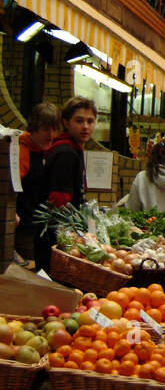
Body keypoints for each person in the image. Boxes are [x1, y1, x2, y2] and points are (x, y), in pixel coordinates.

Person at [34, 96, 97, 272]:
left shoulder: (69, 149)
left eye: (90, 121)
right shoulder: (66, 154)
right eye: (79, 121)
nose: (85, 126)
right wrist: (70, 242)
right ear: (66, 123)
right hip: (55, 244)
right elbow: (59, 203)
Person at [15, 102, 61, 262]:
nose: (51, 134)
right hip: (25, 229)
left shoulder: (50, 152)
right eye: (46, 129)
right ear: (34, 127)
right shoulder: (21, 151)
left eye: (55, 129)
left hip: (44, 229)